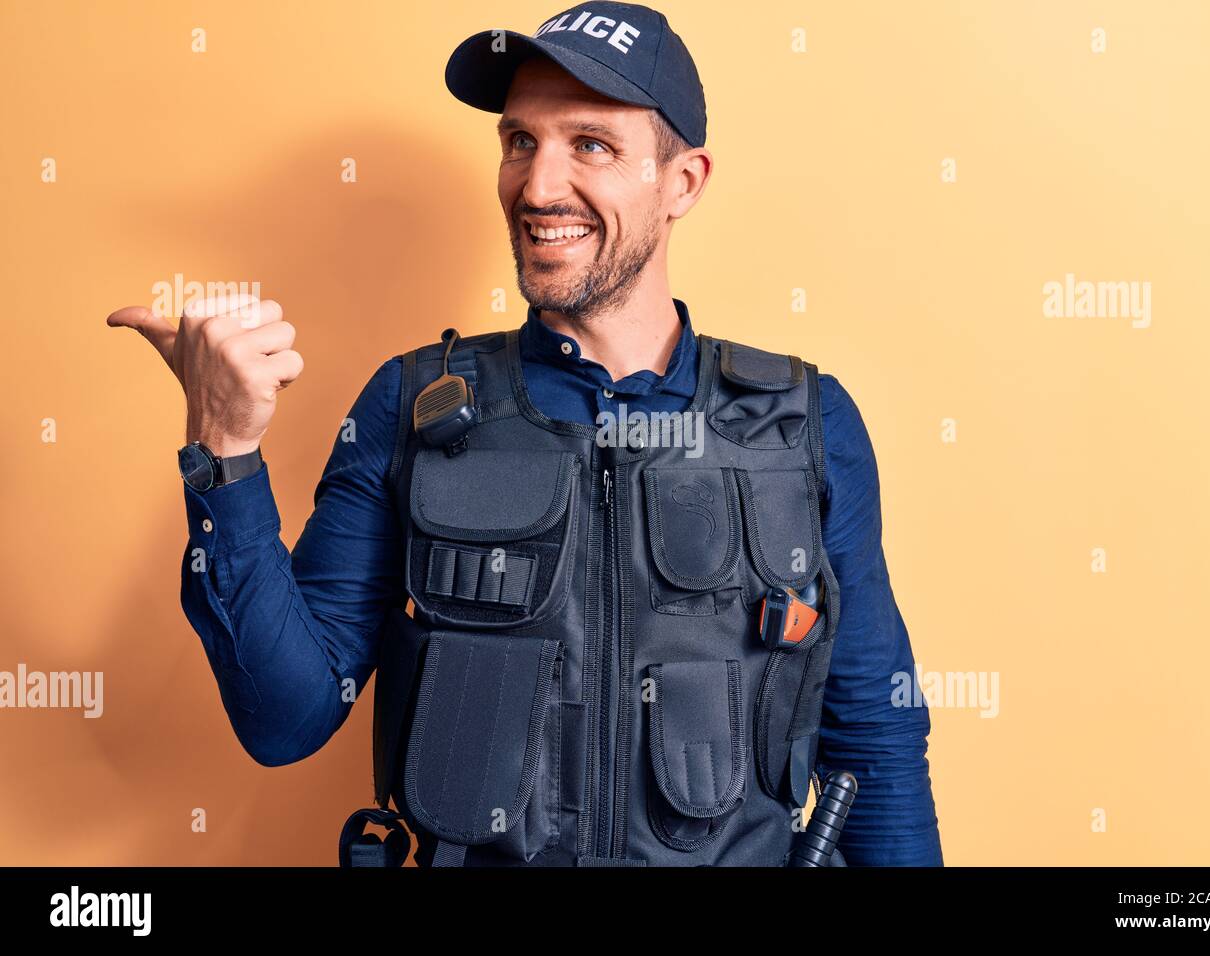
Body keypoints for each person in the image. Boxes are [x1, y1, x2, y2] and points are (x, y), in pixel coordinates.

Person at [107, 1, 942, 867]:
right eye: (519, 141)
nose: (538, 188)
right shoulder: (412, 405)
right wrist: (225, 452)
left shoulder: (805, 424)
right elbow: (286, 719)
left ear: (683, 181)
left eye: (591, 144)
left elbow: (875, 743)